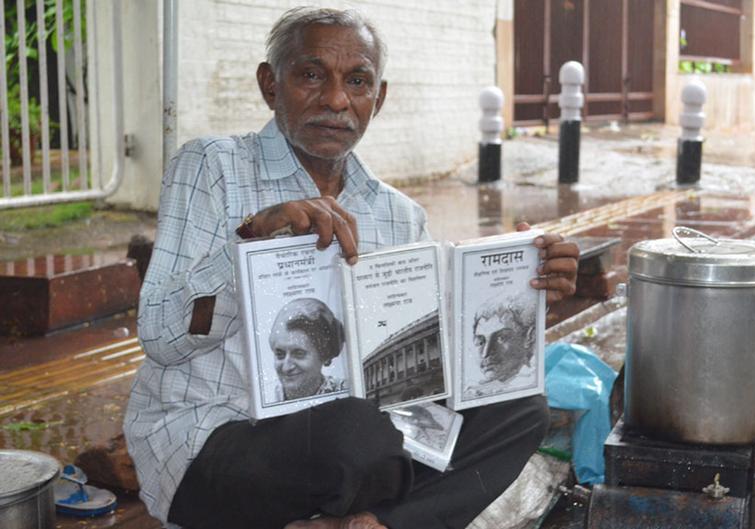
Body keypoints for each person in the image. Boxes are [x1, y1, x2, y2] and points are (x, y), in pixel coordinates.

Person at [123, 7, 580, 529]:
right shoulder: (213, 166)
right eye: (311, 75)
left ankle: (370, 523)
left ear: (377, 99)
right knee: (357, 434)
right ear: (271, 85)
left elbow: (429, 369)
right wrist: (251, 239)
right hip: (219, 440)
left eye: (357, 82)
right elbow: (161, 337)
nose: (336, 100)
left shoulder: (398, 214)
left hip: (358, 443)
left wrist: (519, 291)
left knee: (520, 405)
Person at [269, 298, 346, 401]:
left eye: (299, 353)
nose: (286, 368)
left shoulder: (344, 392)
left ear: (324, 355)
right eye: (280, 354)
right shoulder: (266, 399)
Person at [466, 296, 537, 398]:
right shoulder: (475, 390)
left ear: (530, 337)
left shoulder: (533, 383)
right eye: (480, 341)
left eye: (501, 338)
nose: (485, 353)